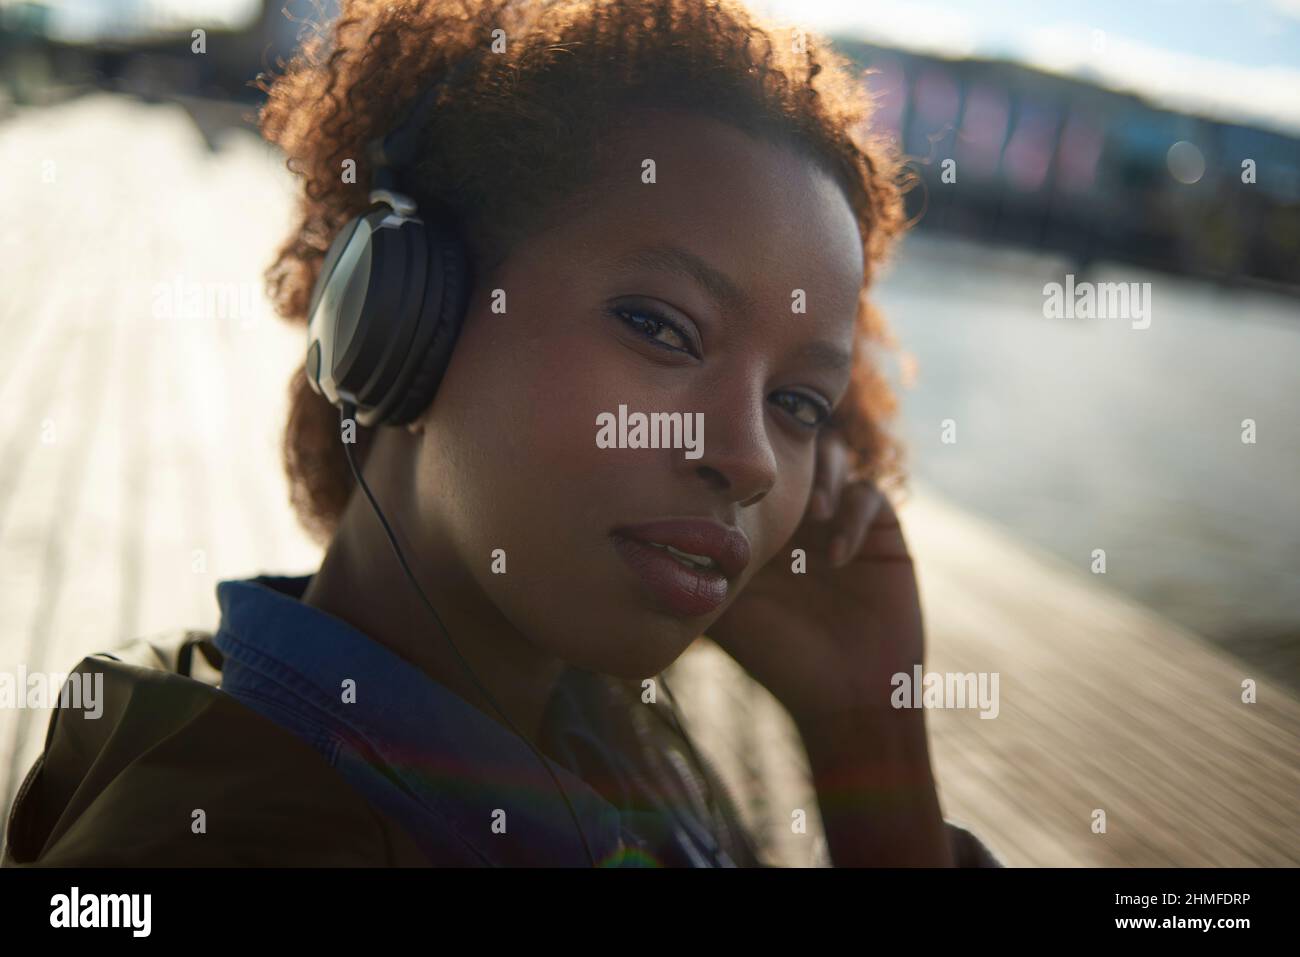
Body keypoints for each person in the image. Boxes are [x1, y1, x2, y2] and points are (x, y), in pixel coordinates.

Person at [3, 0, 1001, 868]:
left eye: (798, 404)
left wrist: (868, 744)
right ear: (401, 315)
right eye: (659, 326)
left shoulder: (598, 733)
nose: (745, 460)